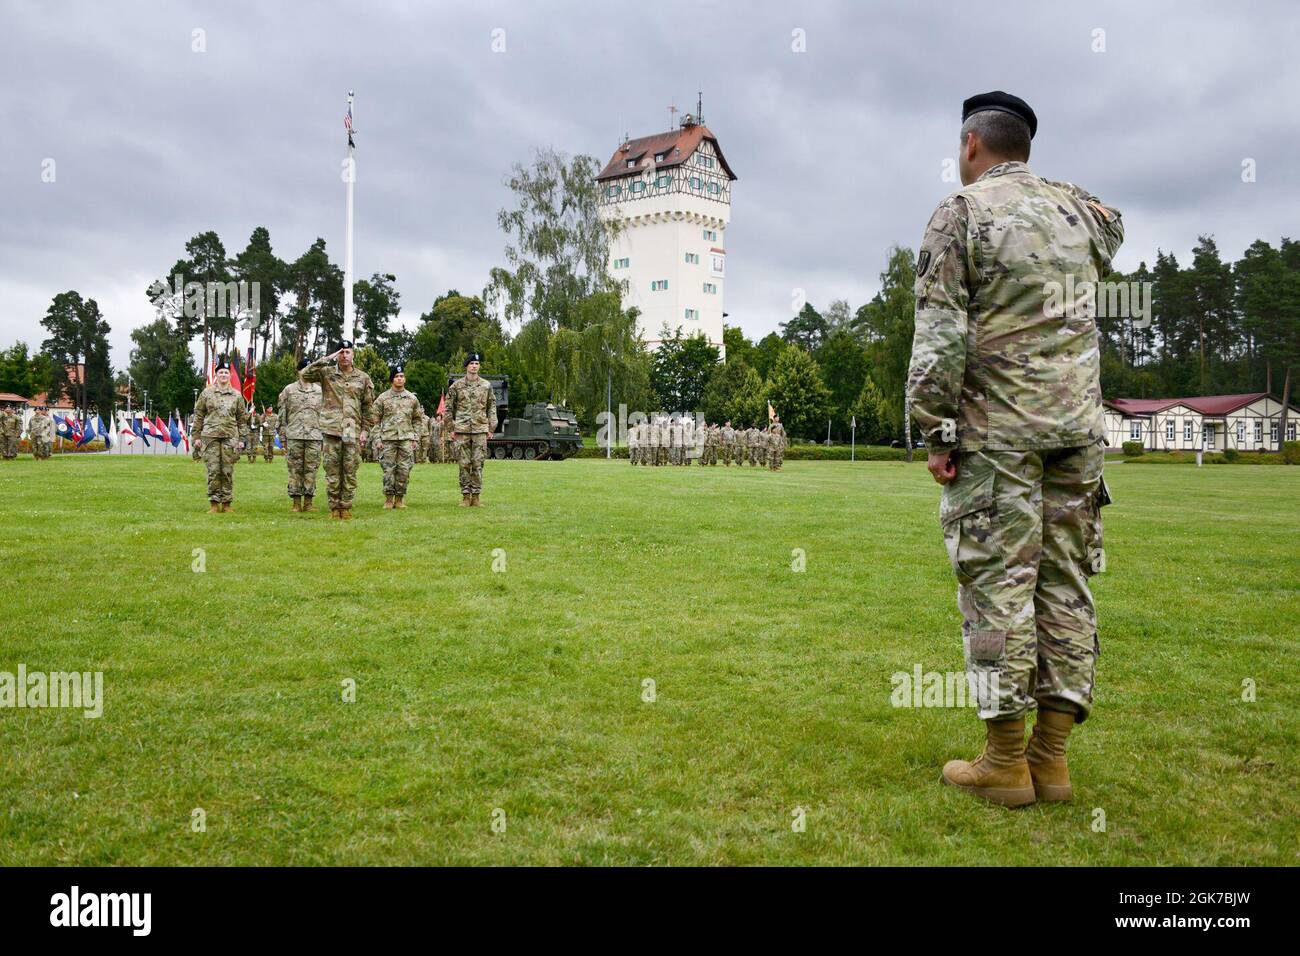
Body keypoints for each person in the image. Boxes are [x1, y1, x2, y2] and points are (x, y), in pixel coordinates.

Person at [908, 91, 1123, 808]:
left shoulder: (960, 214)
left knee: (998, 582)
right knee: (1066, 584)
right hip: (1078, 433)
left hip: (998, 433)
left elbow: (939, 339)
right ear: (1025, 149)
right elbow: (1112, 223)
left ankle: (1005, 763)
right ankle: (1051, 762)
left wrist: (936, 432)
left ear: (971, 146)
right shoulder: (1080, 212)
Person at [302, 340, 376, 520]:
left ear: (353, 355)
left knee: (350, 470)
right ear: (337, 355)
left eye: (348, 352)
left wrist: (366, 430)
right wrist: (326, 359)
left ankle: (346, 506)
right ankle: (334, 508)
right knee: (332, 470)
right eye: (341, 352)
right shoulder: (327, 373)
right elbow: (305, 373)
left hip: (353, 429)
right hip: (331, 429)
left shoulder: (363, 378)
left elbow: (368, 407)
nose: (344, 355)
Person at [191, 359, 250, 512]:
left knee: (227, 471)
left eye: (226, 372)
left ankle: (227, 503)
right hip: (210, 437)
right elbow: (199, 415)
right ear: (216, 375)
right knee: (213, 470)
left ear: (230, 375)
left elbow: (241, 419)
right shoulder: (207, 393)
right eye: (220, 372)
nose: (223, 375)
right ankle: (214, 504)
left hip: (230, 437)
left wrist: (243, 439)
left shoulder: (237, 395)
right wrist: (196, 437)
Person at [446, 352, 498, 507]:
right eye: (471, 364)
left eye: (477, 364)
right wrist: (450, 428)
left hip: (480, 429)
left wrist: (491, 427)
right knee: (463, 464)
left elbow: (491, 407)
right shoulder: (456, 386)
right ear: (466, 367)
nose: (474, 366)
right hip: (462, 430)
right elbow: (448, 409)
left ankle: (476, 496)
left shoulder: (486, 385)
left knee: (478, 463)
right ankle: (465, 496)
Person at [372, 365, 424, 509]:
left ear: (405, 379)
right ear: (392, 379)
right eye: (396, 376)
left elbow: (417, 420)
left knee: (404, 470)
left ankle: (400, 499)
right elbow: (375, 420)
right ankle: (389, 499)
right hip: (387, 439)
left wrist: (415, 437)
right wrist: (377, 439)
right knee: (388, 470)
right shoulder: (383, 398)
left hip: (406, 439)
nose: (399, 379)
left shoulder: (412, 399)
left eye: (401, 376)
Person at [278, 358, 323, 512]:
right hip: (294, 435)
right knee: (295, 470)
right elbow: (282, 415)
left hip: (315, 436)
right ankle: (296, 503)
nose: (306, 371)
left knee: (311, 469)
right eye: (304, 368)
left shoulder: (320, 391)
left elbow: (325, 414)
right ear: (298, 371)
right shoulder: (289, 390)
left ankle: (309, 503)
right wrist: (283, 438)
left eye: (310, 368)